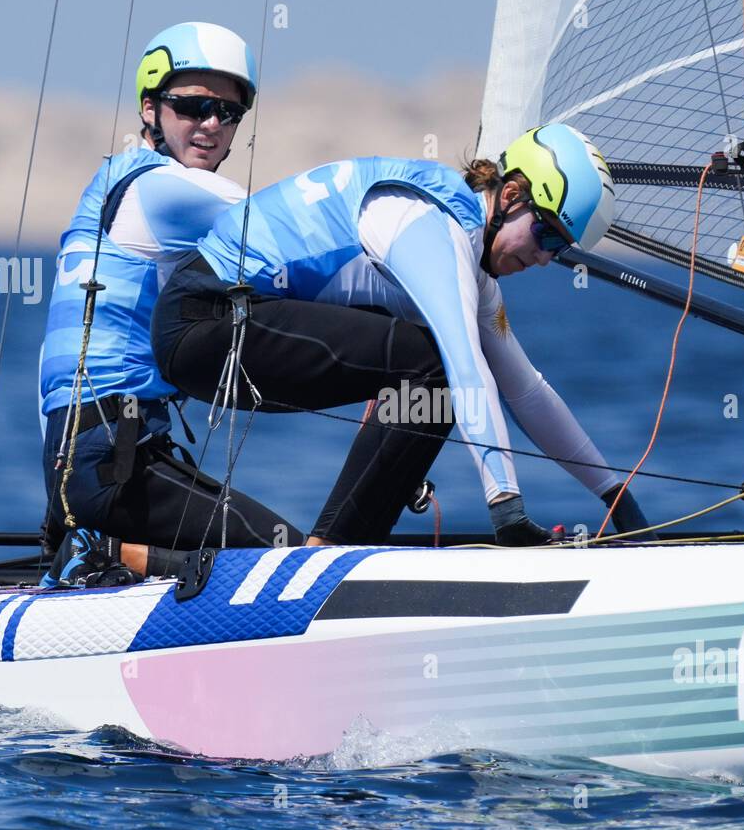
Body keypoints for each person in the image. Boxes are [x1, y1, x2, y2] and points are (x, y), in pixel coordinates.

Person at [151, 122, 649, 547]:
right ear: (512, 195)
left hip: (230, 326)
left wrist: (616, 496)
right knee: (433, 366)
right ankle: (333, 551)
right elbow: (462, 363)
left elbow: (526, 390)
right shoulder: (428, 221)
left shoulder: (472, 263)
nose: (544, 258)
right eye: (546, 236)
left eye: (559, 251)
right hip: (205, 320)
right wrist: (508, 511)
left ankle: (337, 549)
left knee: (431, 369)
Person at [39, 22, 301, 582]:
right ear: (151, 109)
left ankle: (102, 551)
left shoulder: (115, 183)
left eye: (228, 113)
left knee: (240, 557)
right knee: (289, 558)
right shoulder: (162, 190)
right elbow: (297, 231)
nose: (211, 124)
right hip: (115, 460)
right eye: (193, 106)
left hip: (87, 458)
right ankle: (103, 553)